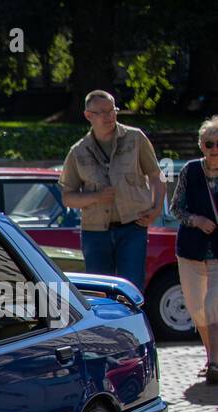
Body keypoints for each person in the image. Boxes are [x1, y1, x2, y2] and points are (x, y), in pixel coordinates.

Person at [59, 90, 165, 295]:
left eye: (112, 110)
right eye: (102, 112)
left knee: (131, 290)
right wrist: (95, 197)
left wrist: (156, 208)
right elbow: (67, 197)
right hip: (95, 231)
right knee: (98, 291)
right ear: (88, 116)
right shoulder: (78, 151)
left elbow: (156, 175)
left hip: (133, 227)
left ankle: (132, 327)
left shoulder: (135, 138)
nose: (109, 116)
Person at [166, 115, 218, 383]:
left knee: (214, 305)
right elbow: (175, 207)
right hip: (190, 251)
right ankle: (210, 357)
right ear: (201, 145)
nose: (215, 149)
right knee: (197, 309)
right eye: (209, 144)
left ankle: (215, 362)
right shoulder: (190, 170)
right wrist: (196, 220)